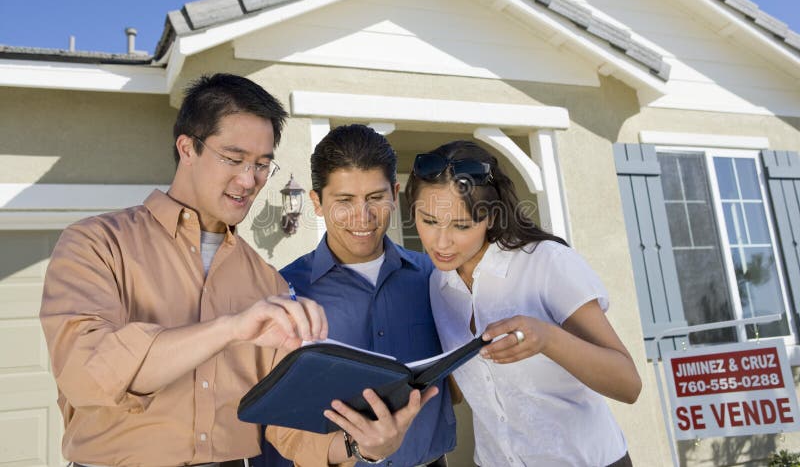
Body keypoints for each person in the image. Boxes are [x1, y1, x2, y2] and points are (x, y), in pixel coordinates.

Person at [39, 73, 328, 467]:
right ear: (187, 148)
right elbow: (87, 372)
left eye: (262, 165)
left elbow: (288, 426)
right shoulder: (95, 244)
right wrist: (228, 329)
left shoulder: (267, 281)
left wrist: (362, 445)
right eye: (233, 158)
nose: (248, 180)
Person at [405, 140, 642, 467]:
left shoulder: (547, 263)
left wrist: (547, 338)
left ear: (489, 216)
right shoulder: (437, 284)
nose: (440, 242)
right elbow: (465, 388)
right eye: (428, 221)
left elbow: (628, 384)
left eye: (461, 225)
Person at [266, 124, 456, 466]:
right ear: (317, 203)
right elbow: (281, 428)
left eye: (375, 198)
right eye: (344, 201)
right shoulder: (284, 292)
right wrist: (357, 447)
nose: (363, 217)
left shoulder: (436, 278)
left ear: (395, 194)